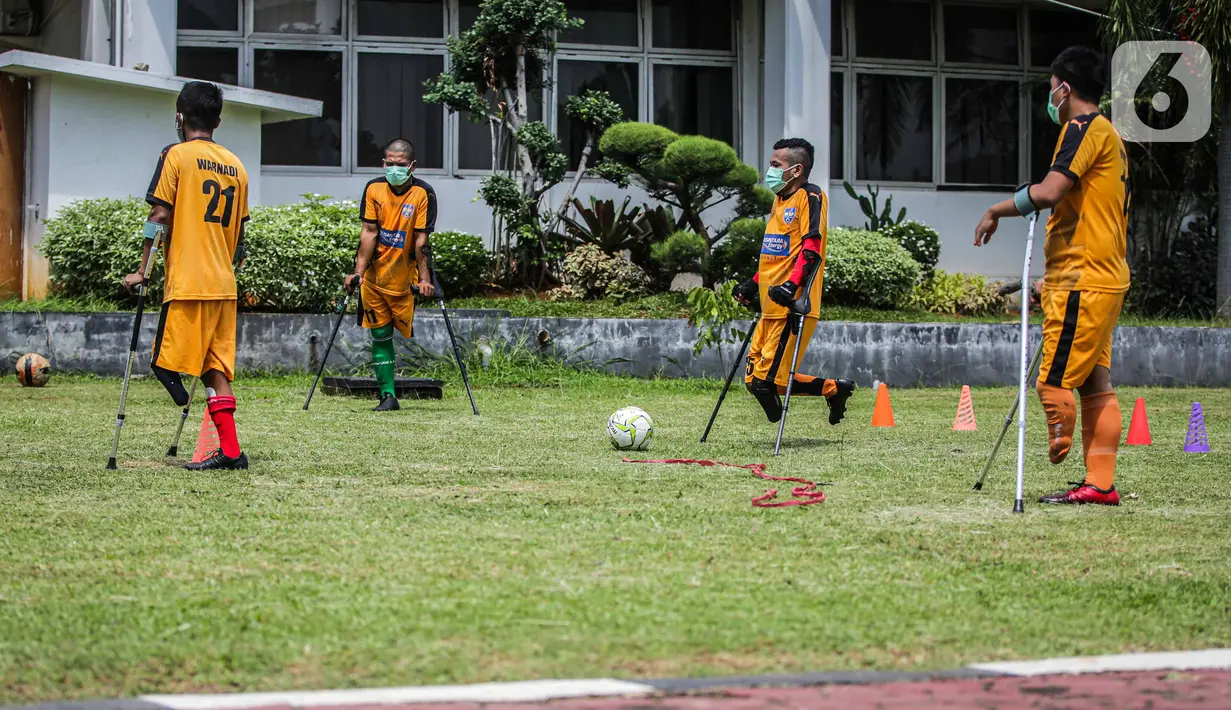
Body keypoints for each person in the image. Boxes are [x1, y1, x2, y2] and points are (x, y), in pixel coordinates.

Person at [974, 46, 1129, 506]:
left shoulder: (1081, 128)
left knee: (1052, 382)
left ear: (1065, 87)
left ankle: (1063, 452)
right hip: (1104, 276)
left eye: (1051, 85)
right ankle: (1100, 486)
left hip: (1083, 277)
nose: (1050, 94)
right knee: (1095, 383)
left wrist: (996, 209)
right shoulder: (1112, 135)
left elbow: (1049, 191)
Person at [124, 81, 251, 470]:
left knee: (164, 361)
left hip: (189, 281)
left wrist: (141, 269)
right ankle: (231, 452)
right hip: (223, 284)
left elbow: (159, 215)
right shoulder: (236, 165)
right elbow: (240, 239)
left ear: (179, 117)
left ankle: (181, 395)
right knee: (214, 368)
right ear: (218, 119)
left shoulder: (176, 155)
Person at [733, 137, 854, 425]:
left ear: (796, 170)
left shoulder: (811, 197)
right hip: (769, 305)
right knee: (754, 379)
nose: (770, 170)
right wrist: (753, 283)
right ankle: (834, 389)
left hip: (793, 304)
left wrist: (791, 286)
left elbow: (811, 249)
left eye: (776, 165)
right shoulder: (779, 200)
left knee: (766, 381)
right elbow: (775, 253)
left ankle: (794, 409)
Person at [344, 139, 438, 411]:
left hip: (404, 280)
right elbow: (369, 232)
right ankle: (388, 395)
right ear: (383, 163)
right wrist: (357, 273)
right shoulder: (373, 188)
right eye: (390, 163)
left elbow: (421, 240)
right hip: (374, 279)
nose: (394, 168)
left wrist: (424, 279)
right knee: (380, 334)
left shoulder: (423, 193)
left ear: (412, 166)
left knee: (399, 332)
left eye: (400, 164)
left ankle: (390, 394)